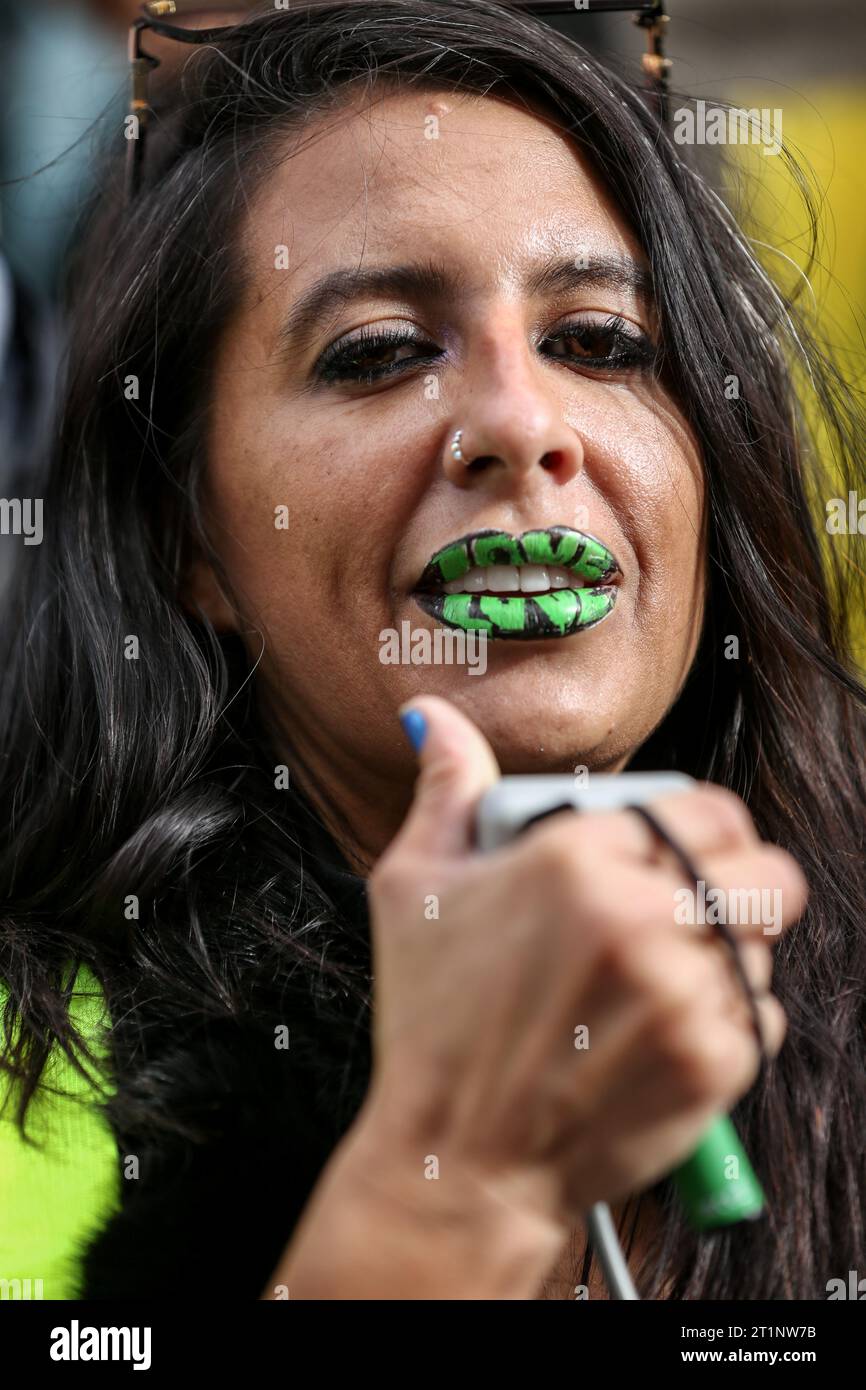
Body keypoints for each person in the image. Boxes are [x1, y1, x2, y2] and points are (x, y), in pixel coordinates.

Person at [0, 0, 864, 1301]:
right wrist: (456, 1187)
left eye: (599, 341)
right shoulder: (35, 1092)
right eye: (382, 353)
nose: (521, 422)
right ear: (189, 534)